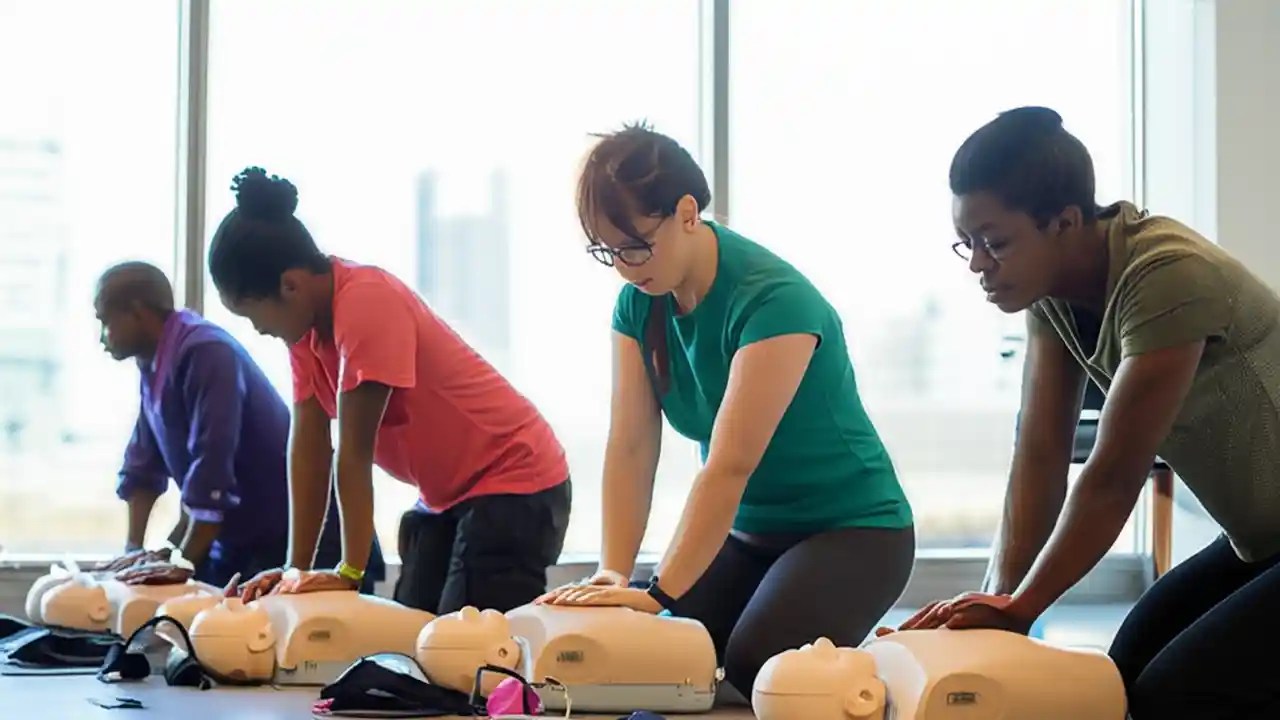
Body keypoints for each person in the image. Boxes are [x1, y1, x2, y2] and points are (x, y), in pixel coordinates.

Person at [886, 106, 1280, 718]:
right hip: (1256, 540)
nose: (977, 266)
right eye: (967, 243)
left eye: (995, 243)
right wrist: (997, 608)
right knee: (1125, 674)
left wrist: (1023, 606)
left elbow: (1113, 474)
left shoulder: (1167, 276)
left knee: (1179, 693)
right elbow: (1040, 455)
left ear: (1064, 222)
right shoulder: (1053, 298)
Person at [536, 123, 916, 696]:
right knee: (664, 653)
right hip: (749, 534)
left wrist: (659, 594)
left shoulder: (774, 300)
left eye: (635, 244)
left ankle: (883, 663)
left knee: (755, 663)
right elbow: (632, 445)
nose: (624, 266)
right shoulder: (639, 302)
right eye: (606, 251)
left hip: (854, 530)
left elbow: (729, 465)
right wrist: (614, 572)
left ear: (687, 212)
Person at [207, 167, 572, 614]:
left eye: (253, 315)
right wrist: (293, 570)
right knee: (408, 641)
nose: (259, 329)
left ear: (291, 285)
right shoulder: (304, 333)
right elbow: (308, 450)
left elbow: (353, 453)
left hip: (516, 480)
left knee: (461, 647)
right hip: (444, 497)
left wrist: (348, 574)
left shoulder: (365, 302)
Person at [92, 261, 383, 590]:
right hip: (243, 542)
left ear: (137, 312)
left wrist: (182, 559)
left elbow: (212, 464)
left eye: (105, 321)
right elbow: (142, 466)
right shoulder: (154, 363)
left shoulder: (205, 352)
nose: (102, 338)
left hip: (311, 541)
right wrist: (137, 554)